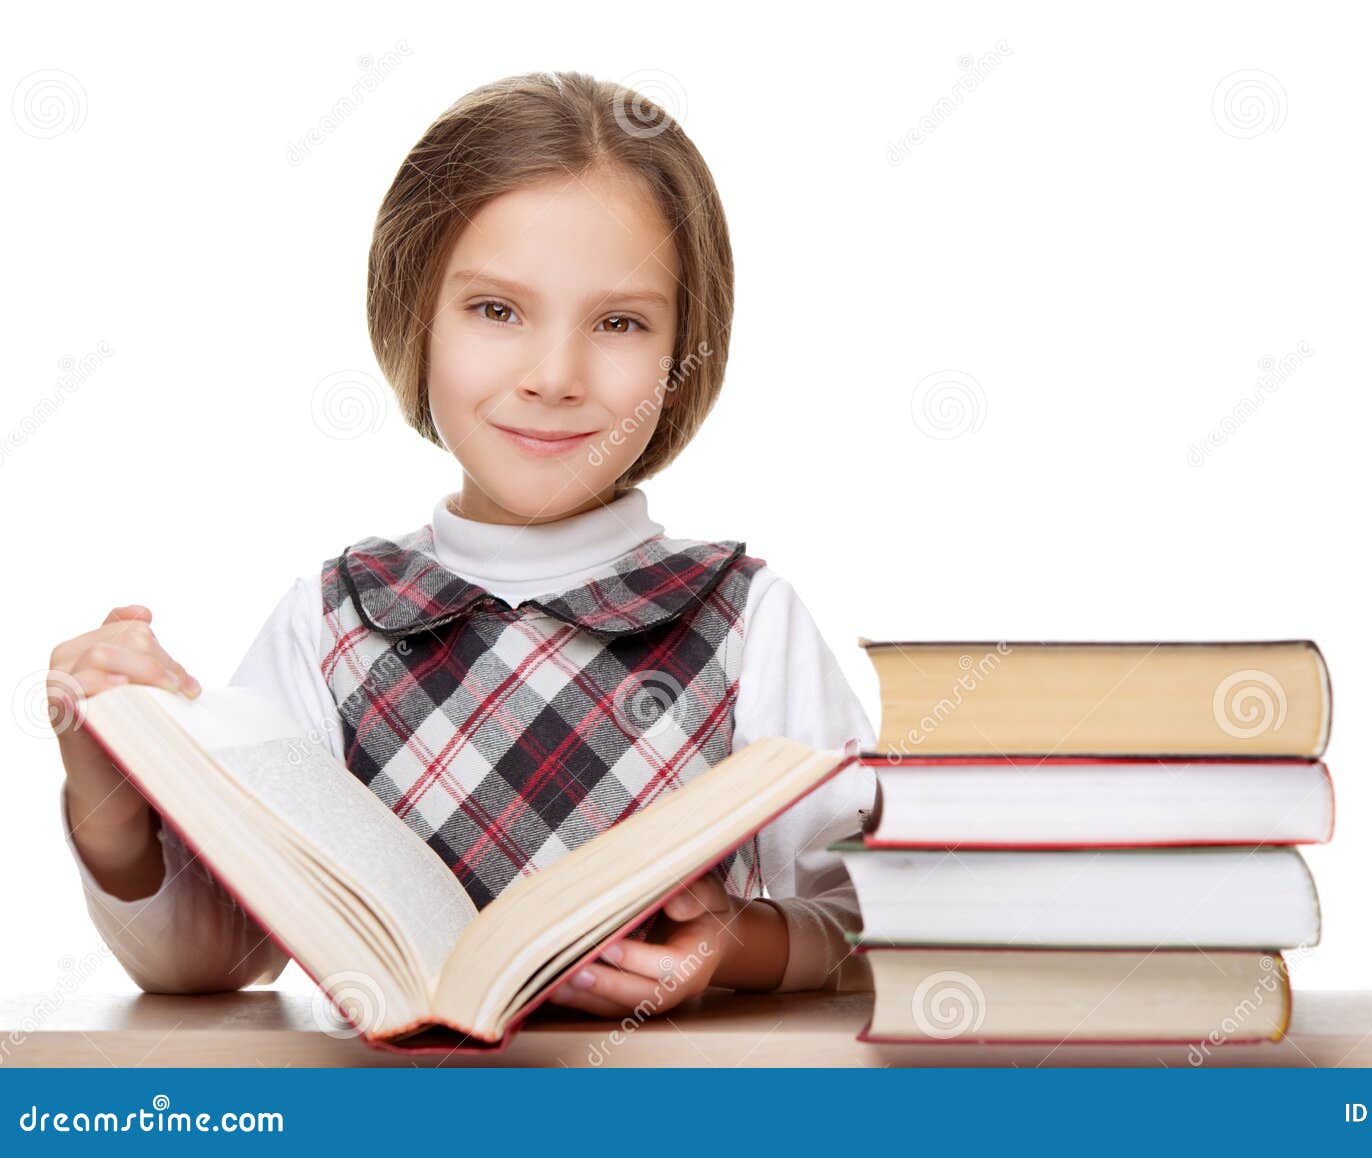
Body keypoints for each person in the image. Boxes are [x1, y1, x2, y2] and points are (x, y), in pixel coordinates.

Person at [49, 70, 877, 1016]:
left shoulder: (748, 621)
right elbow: (216, 959)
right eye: (496, 310)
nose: (554, 375)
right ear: (416, 318)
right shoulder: (330, 626)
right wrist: (112, 804)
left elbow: (870, 914)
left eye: (619, 323)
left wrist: (742, 941)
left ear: (685, 356)